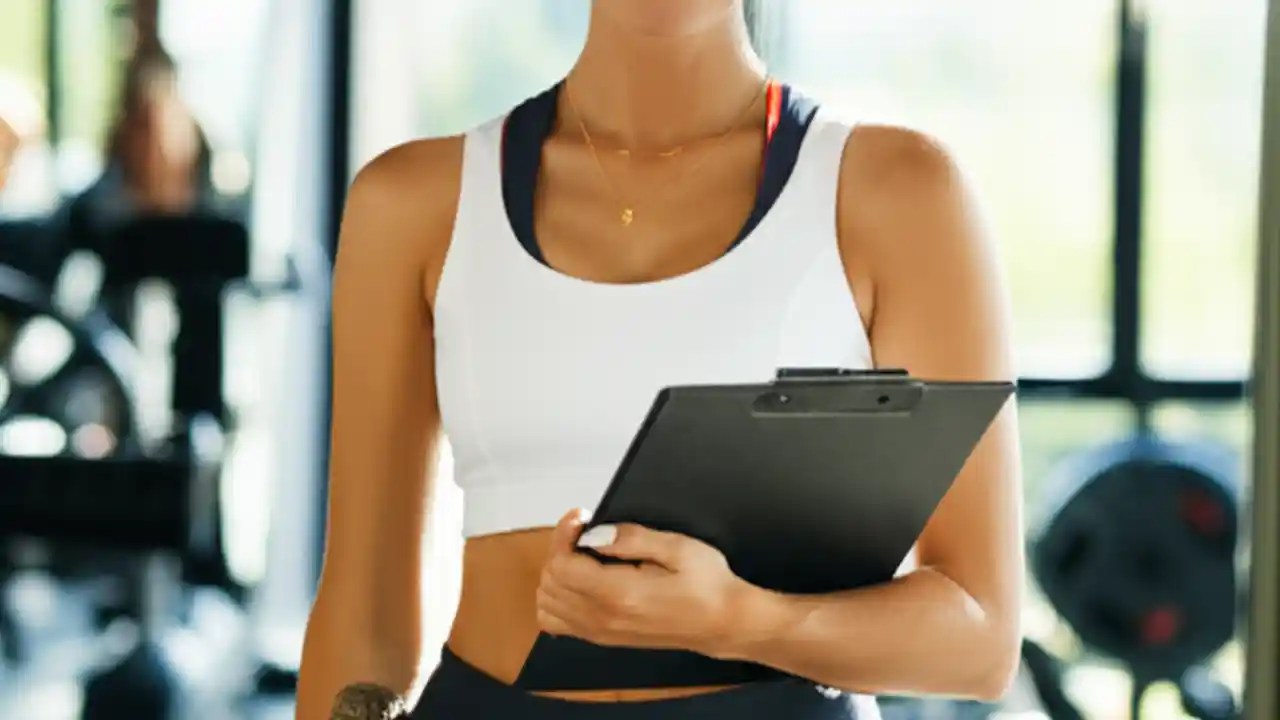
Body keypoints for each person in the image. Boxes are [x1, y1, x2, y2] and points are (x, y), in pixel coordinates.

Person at [298, 2, 1025, 719]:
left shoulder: (898, 191)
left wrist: (744, 622)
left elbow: (982, 638)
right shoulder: (414, 202)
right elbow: (362, 617)